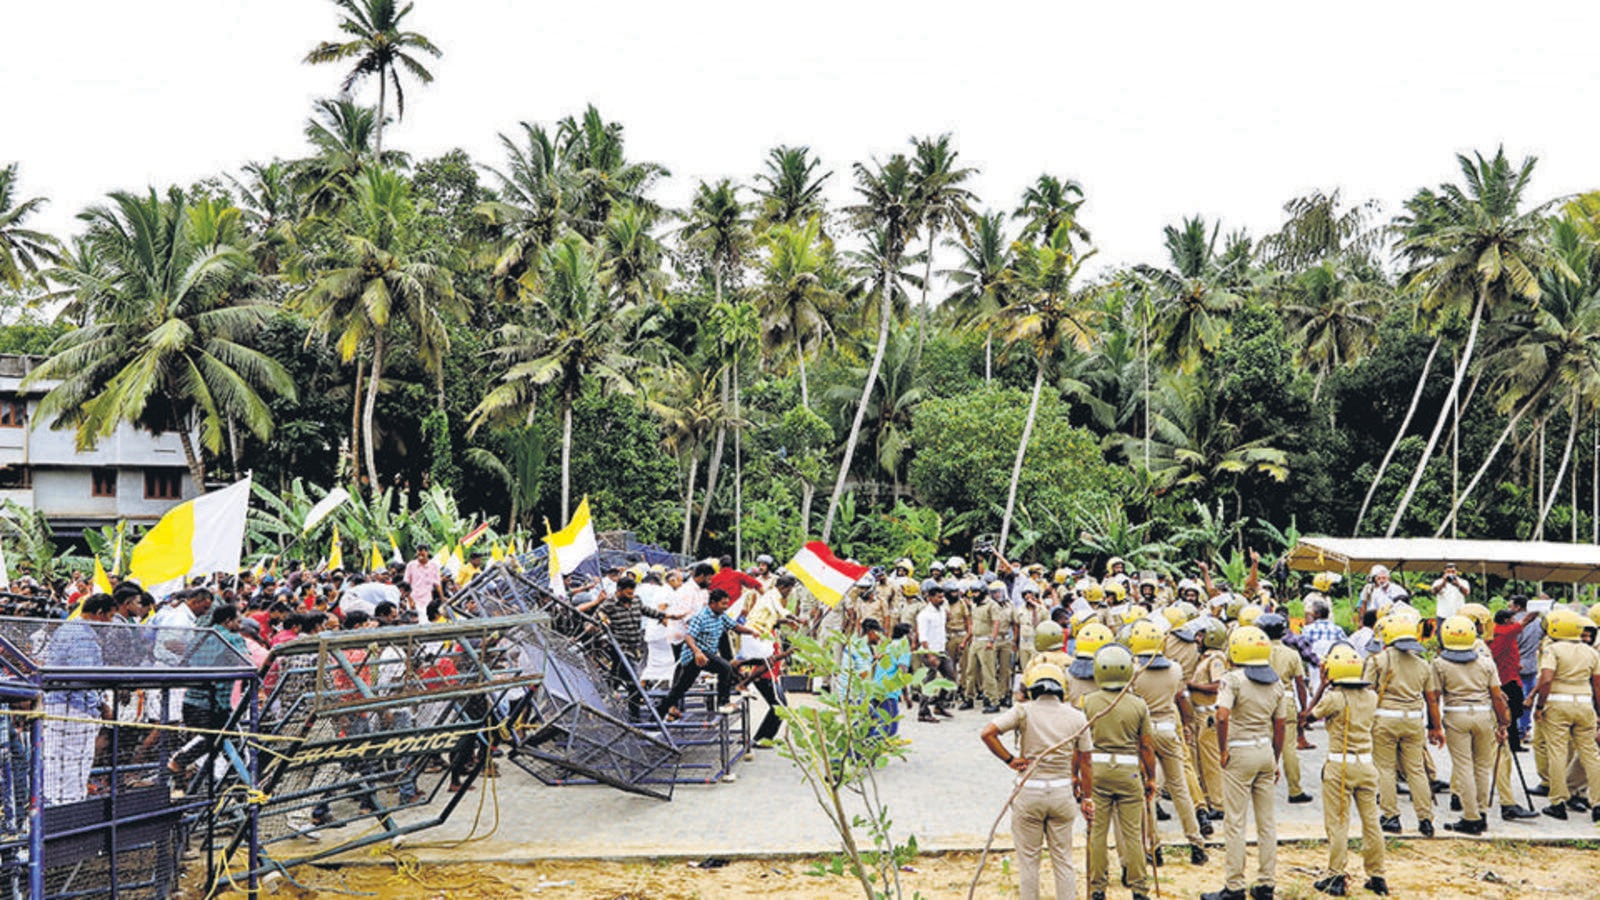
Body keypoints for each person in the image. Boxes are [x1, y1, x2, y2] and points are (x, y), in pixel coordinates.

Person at [980, 662, 1093, 900]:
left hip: (1029, 792)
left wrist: (1010, 759)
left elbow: (987, 733)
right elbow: (1086, 763)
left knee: (1029, 861)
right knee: (1063, 859)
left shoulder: (1023, 711)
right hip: (1062, 793)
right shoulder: (1077, 716)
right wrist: (1088, 799)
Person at [1202, 625, 1288, 900]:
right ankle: (1265, 883)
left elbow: (1223, 716)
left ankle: (1234, 885)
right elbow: (1281, 725)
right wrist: (1275, 759)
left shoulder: (1233, 679)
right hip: (1264, 751)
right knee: (1267, 823)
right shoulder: (1276, 682)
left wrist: (1223, 749)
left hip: (1239, 753)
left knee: (1235, 822)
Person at [1306, 642, 1387, 897]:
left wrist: (1321, 684)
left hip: (1340, 765)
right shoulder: (1372, 696)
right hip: (1366, 763)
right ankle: (1377, 875)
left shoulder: (1335, 697)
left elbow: (1307, 717)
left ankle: (1336, 875)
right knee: (1371, 822)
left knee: (1338, 822)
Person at [1126, 619, 1210, 860]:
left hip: (1145, 734)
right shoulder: (1174, 669)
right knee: (1180, 786)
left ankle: (1154, 846)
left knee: (1148, 789)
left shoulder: (1134, 671)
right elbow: (1178, 697)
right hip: (1168, 729)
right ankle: (1196, 843)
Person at [1082, 643, 1156, 900]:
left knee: (1097, 832)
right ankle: (1138, 887)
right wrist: (1152, 777)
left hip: (1098, 771)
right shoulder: (1138, 705)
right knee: (1133, 833)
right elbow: (1146, 746)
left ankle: (1098, 887)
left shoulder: (1088, 702)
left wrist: (1076, 776)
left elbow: (1078, 745)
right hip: (1128, 772)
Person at [1431, 616, 1511, 835]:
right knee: (1482, 766)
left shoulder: (1439, 664)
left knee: (1464, 766)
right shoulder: (1486, 662)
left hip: (1456, 716)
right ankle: (1482, 813)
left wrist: (1435, 726)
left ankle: (1470, 816)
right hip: (1484, 716)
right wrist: (1503, 723)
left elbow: (1434, 698)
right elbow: (1497, 697)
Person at [1363, 614, 1440, 837]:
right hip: (1414, 720)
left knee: (1385, 768)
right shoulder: (1423, 664)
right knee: (1416, 770)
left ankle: (1391, 816)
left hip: (1385, 719)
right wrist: (1436, 727)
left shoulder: (1378, 660)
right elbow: (1432, 699)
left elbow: (1368, 693)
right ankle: (1425, 819)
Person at [1529, 608, 1600, 823]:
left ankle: (1557, 802)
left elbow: (1547, 679)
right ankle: (1597, 803)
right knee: (1591, 754)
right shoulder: (1591, 652)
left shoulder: (1553, 650)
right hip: (1585, 704)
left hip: (1558, 704)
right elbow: (1597, 685)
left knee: (1557, 753)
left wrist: (1539, 706)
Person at [43, 593, 113, 805]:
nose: (110, 623)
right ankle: (70, 810)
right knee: (75, 761)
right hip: (75, 708)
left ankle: (53, 808)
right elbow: (84, 677)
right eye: (109, 616)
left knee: (55, 761)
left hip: (57, 703)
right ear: (99, 613)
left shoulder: (67, 628)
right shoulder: (84, 636)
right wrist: (101, 706)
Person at [654, 589, 758, 720]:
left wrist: (751, 632)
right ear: (713, 603)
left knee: (682, 688)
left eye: (727, 604)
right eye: (723, 604)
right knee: (725, 667)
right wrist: (697, 653)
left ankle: (658, 711)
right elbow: (689, 636)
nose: (725, 607)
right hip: (695, 656)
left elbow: (734, 626)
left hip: (707, 655)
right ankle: (723, 702)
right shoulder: (701, 616)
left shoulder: (721, 615)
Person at [1257, 613, 1313, 804]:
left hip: (1262, 701)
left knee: (1261, 744)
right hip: (1286, 701)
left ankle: (1261, 786)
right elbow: (1300, 684)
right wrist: (1304, 709)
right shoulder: (1292, 654)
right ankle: (1295, 790)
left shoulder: (1258, 651)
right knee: (1289, 748)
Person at [915, 585, 956, 723]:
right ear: (930, 598)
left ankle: (939, 704)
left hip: (942, 649)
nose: (941, 599)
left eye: (942, 597)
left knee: (950, 677)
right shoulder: (924, 615)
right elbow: (923, 637)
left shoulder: (942, 611)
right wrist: (929, 654)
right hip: (930, 651)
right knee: (929, 681)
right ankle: (923, 711)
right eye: (938, 597)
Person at [403, 548, 443, 615]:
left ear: (427, 553)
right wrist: (410, 600)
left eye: (422, 554)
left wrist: (442, 598)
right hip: (414, 599)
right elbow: (406, 585)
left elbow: (437, 584)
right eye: (419, 553)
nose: (420, 556)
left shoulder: (433, 566)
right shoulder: (411, 565)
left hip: (427, 599)